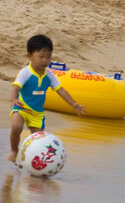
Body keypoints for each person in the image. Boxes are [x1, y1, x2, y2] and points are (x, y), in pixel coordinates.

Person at [8, 34, 86, 164]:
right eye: (41, 57)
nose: (45, 60)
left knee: (38, 141)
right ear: (30, 56)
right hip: (22, 107)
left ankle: (28, 160)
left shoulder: (49, 75)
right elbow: (15, 87)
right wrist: (13, 100)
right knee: (16, 127)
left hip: (37, 114)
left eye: (48, 57)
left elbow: (61, 90)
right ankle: (14, 150)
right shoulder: (25, 72)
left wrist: (74, 104)